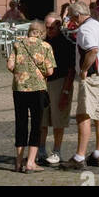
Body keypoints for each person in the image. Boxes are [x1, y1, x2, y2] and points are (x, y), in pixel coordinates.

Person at [68, 2, 99, 169]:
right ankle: (98, 153)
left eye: (71, 16)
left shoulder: (85, 29)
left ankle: (79, 156)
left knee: (84, 115)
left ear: (77, 15)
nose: (71, 20)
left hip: (94, 78)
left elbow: (93, 50)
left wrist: (83, 70)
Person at [7, 19, 55, 173]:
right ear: (42, 33)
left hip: (19, 89)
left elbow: (10, 66)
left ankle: (18, 162)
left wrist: (21, 75)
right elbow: (50, 71)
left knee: (20, 123)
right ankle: (31, 163)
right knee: (36, 125)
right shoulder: (45, 46)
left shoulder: (17, 44)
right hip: (38, 90)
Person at [38, 13, 76, 165]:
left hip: (59, 83)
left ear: (59, 26)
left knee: (59, 120)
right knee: (42, 120)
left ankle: (57, 151)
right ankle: (41, 150)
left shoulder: (67, 44)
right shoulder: (42, 43)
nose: (48, 30)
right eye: (46, 28)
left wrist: (66, 91)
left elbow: (71, 70)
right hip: (43, 83)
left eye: (51, 28)